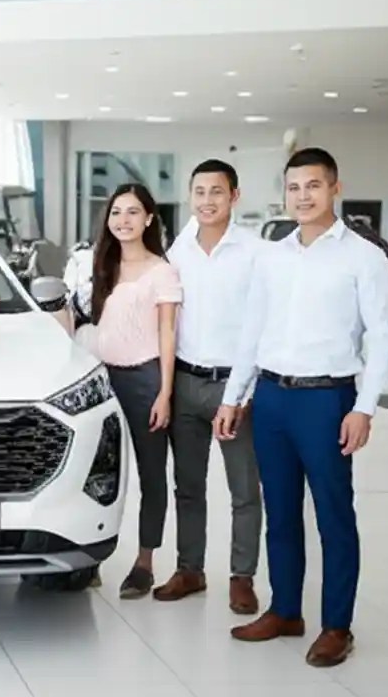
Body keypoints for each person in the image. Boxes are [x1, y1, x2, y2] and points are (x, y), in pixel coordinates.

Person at [218, 147, 388, 667]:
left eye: (313, 186)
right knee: (280, 512)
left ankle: (337, 625)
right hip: (272, 398)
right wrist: (235, 397)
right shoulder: (273, 255)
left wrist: (364, 408)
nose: (303, 196)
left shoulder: (362, 257)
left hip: (327, 399)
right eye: (294, 187)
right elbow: (252, 330)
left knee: (334, 515)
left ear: (335, 189)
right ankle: (286, 610)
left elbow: (382, 337)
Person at [154, 159, 264, 614]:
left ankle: (242, 578)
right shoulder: (177, 251)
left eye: (216, 192)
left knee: (244, 489)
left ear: (234, 196)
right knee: (188, 485)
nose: (206, 201)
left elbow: (261, 328)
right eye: (199, 192)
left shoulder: (256, 252)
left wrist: (240, 394)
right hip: (184, 381)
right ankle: (190, 569)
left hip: (233, 387)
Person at [87, 183, 182, 600]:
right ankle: (87, 557)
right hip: (103, 381)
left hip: (145, 381)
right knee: (95, 471)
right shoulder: (101, 265)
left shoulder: (162, 270)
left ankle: (144, 562)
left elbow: (168, 333)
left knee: (151, 474)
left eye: (132, 212)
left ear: (148, 218)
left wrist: (164, 392)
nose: (122, 220)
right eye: (116, 212)